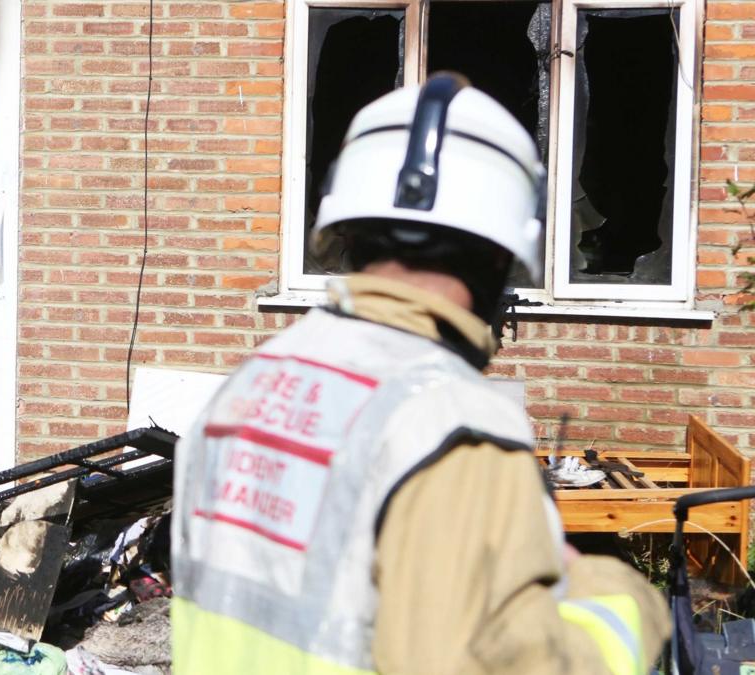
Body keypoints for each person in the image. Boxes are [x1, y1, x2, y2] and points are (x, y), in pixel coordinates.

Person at [171, 74, 670, 674]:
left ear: (348, 232)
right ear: (499, 255)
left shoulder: (245, 388)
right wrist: (620, 601)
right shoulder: (454, 430)